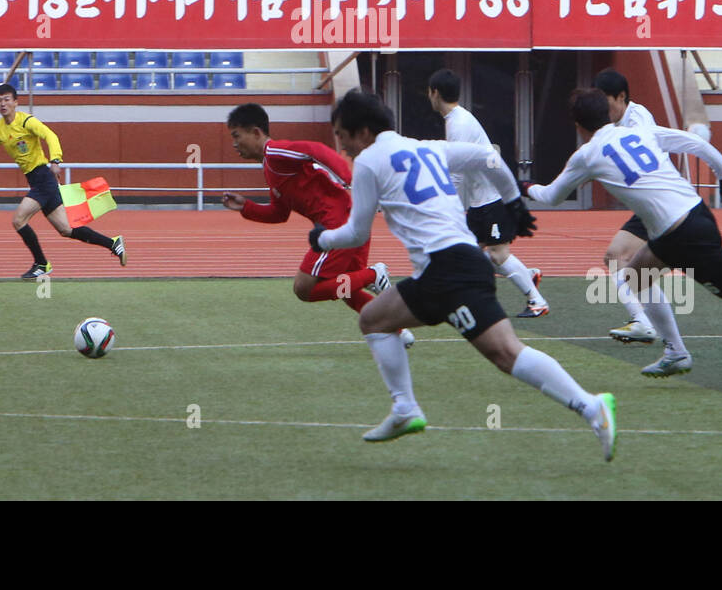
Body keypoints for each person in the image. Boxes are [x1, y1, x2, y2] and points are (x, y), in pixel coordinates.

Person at [311, 90, 617, 458]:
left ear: (362, 132)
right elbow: (489, 158)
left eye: (342, 135)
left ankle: (589, 406)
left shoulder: (369, 162)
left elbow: (357, 233)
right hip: (458, 263)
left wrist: (322, 238)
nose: (341, 145)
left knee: (506, 353)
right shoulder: (429, 147)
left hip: (448, 270)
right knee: (375, 319)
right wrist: (513, 203)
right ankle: (405, 408)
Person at [523, 89, 722, 388]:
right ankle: (675, 352)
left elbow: (550, 197)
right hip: (690, 219)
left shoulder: (587, 155)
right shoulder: (640, 130)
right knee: (635, 275)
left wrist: (523, 187)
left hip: (684, 235)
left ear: (578, 125)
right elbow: (691, 141)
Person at [591, 69, 722, 373]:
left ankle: (647, 327)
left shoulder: (638, 120)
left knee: (623, 259)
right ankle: (661, 335)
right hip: (654, 205)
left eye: (604, 101)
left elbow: (687, 145)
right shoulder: (614, 122)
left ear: (620, 98)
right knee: (633, 263)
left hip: (665, 203)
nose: (601, 109)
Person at [222, 103, 413, 344]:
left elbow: (316, 149)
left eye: (236, 136)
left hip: (338, 221)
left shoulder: (276, 152)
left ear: (256, 132)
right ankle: (398, 331)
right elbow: (279, 214)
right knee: (346, 289)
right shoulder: (270, 168)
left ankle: (374, 274)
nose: (234, 144)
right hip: (347, 218)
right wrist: (246, 207)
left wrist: (347, 177)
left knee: (305, 288)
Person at [0, 83, 124, 279]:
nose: (3, 104)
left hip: (43, 179)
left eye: (7, 100)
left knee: (18, 220)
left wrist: (55, 160)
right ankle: (113, 243)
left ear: (15, 102)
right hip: (35, 180)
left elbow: (50, 135)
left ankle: (41, 264)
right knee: (66, 229)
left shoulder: (26, 121)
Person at [426, 69, 549, 317]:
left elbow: (457, 173)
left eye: (429, 93)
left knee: (498, 254)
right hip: (480, 200)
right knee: (465, 251)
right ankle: (527, 276)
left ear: (435, 93)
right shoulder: (456, 120)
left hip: (492, 199)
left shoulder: (458, 123)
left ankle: (537, 301)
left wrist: (446, 206)